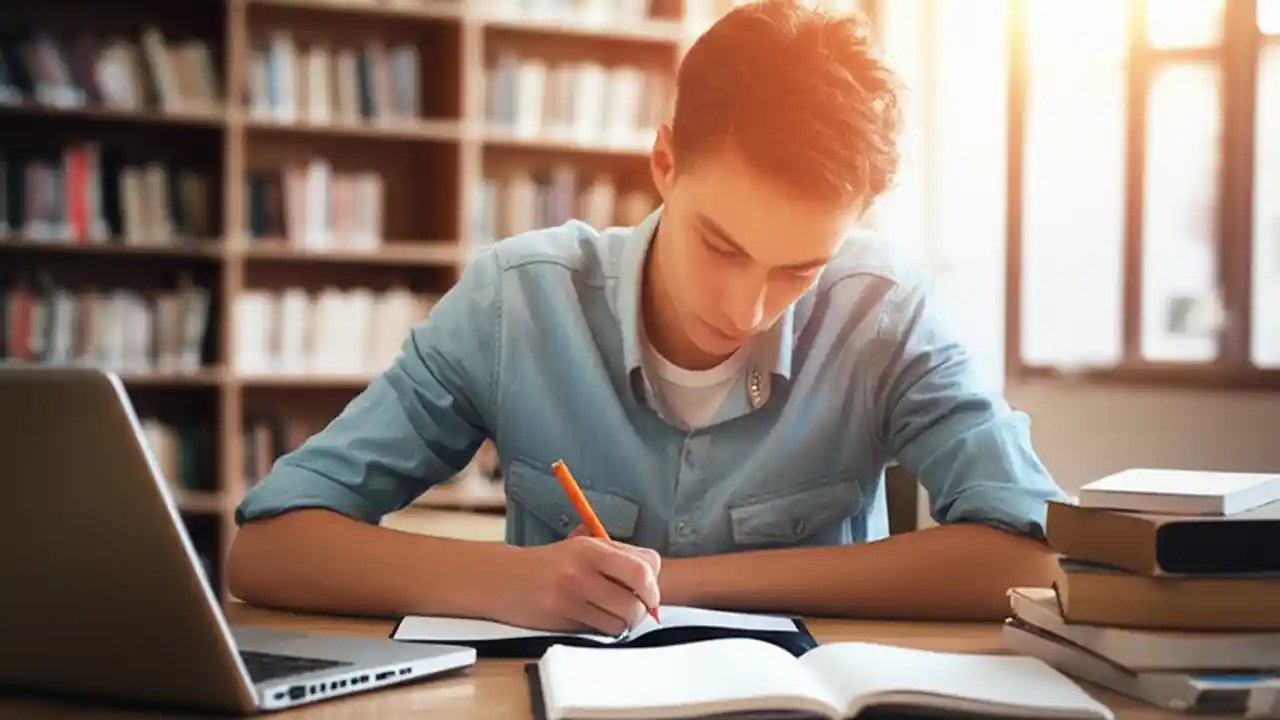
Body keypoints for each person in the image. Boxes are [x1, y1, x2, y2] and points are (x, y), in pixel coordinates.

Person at [228, 0, 1066, 635]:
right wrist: (515, 582)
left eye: (799, 270)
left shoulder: (886, 310)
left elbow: (1036, 558)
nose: (747, 309)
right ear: (664, 161)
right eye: (722, 246)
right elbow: (269, 548)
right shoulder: (516, 302)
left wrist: (679, 581)